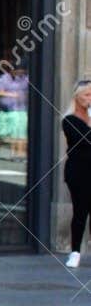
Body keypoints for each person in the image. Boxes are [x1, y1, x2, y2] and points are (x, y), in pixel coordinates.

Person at [62, 78, 91, 268]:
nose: (90, 98)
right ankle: (75, 251)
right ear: (77, 97)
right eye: (87, 94)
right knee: (80, 211)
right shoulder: (69, 120)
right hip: (79, 172)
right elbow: (85, 139)